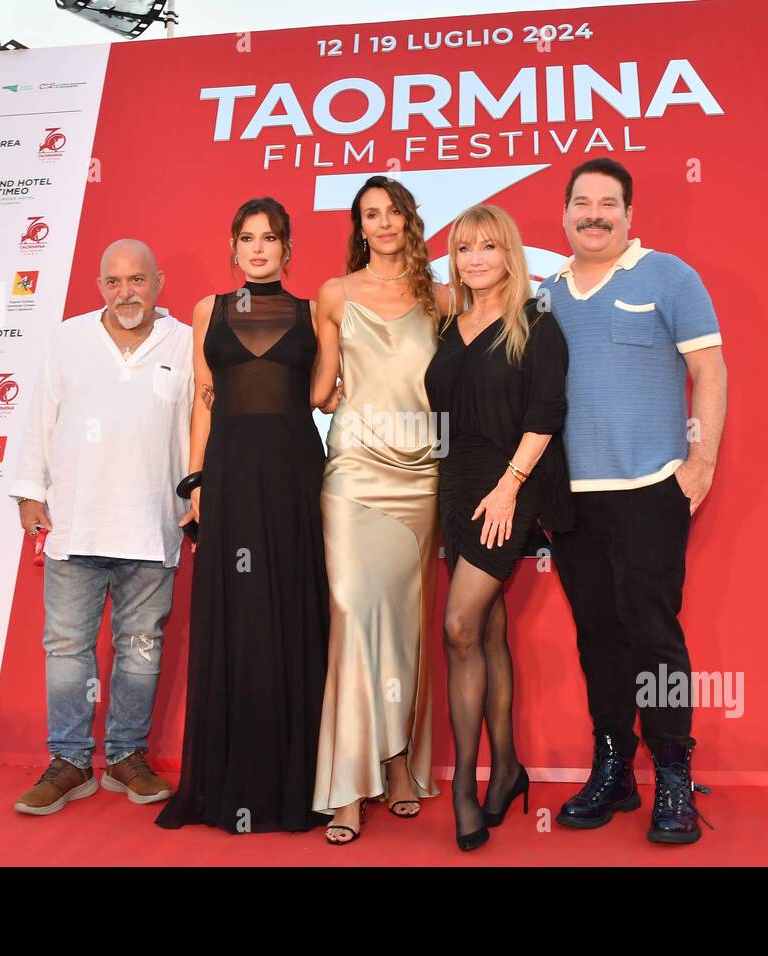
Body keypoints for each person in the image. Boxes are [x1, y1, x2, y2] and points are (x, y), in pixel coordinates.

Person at [541, 159, 727, 844]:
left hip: (652, 488)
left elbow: (709, 368)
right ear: (564, 215)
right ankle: (614, 765)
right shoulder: (544, 296)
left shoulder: (670, 276)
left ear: (628, 214)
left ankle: (673, 773)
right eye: (582, 203)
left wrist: (699, 459)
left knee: (655, 637)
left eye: (608, 203)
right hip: (572, 501)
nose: (595, 213)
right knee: (598, 638)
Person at [155, 198, 331, 833]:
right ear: (233, 248)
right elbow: (203, 401)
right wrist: (196, 479)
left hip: (294, 479)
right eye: (247, 238)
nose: (258, 248)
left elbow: (323, 394)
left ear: (288, 250)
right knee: (237, 618)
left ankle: (299, 782)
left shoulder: (316, 314)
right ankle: (226, 781)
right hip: (228, 476)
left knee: (289, 611)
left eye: (271, 238)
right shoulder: (210, 311)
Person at [10, 239, 193, 815]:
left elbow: (205, 422)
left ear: (158, 281)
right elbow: (41, 416)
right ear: (99, 287)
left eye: (136, 280)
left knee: (141, 647)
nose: (125, 293)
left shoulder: (186, 342)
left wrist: (199, 491)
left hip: (151, 522)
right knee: (67, 647)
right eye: (113, 282)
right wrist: (28, 493)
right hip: (75, 521)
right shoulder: (68, 338)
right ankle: (68, 761)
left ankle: (125, 758)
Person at [424, 205, 572, 851]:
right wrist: (437, 503)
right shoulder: (450, 327)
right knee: (484, 629)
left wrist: (511, 488)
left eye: (488, 246)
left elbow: (545, 414)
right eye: (463, 248)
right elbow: (440, 421)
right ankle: (508, 767)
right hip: (455, 488)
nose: (475, 258)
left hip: (506, 487)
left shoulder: (536, 323)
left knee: (459, 627)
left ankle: (464, 783)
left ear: (510, 254)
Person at [310, 176, 452, 845]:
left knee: (404, 625)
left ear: (409, 220)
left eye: (393, 211)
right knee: (350, 614)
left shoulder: (442, 297)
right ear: (358, 227)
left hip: (421, 477)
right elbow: (318, 387)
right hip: (354, 474)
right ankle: (345, 785)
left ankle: (398, 765)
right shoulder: (334, 295)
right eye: (372, 214)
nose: (384, 223)